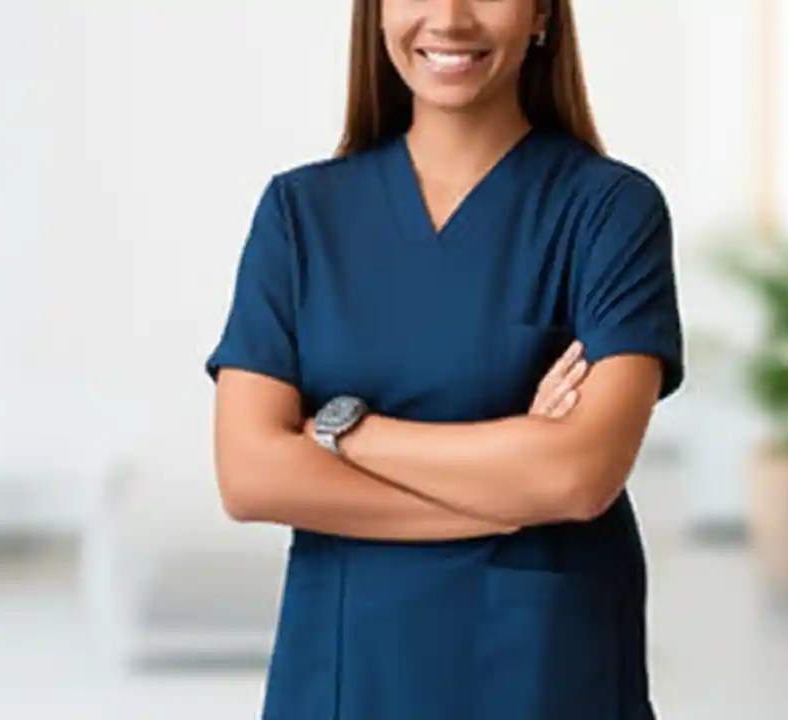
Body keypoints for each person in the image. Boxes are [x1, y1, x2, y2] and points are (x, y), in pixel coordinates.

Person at [205, 1, 684, 718]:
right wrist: (502, 495)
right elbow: (249, 475)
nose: (450, 18)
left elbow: (579, 475)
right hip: (348, 670)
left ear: (542, 14)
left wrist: (344, 432)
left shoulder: (610, 212)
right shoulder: (299, 215)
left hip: (540, 668)